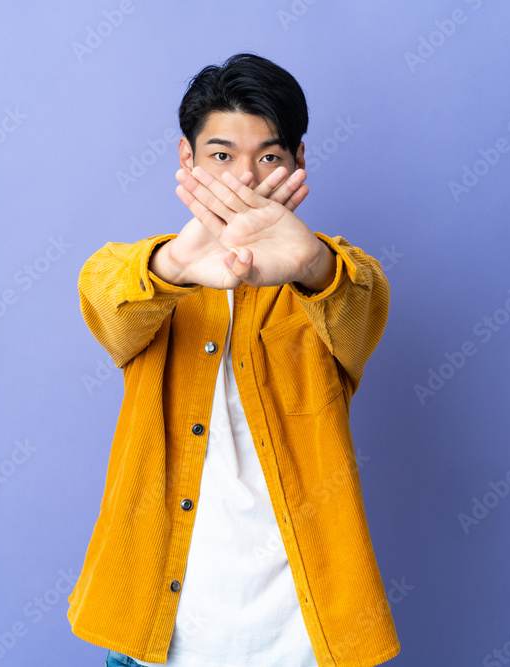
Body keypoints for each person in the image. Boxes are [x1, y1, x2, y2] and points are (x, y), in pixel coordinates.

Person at [69, 52, 400, 667]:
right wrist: (174, 264)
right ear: (186, 159)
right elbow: (108, 306)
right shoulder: (140, 273)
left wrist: (311, 266)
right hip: (157, 637)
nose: (243, 180)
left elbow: (363, 307)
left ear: (299, 162)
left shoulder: (334, 278)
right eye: (221, 156)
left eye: (268, 157)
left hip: (306, 639)